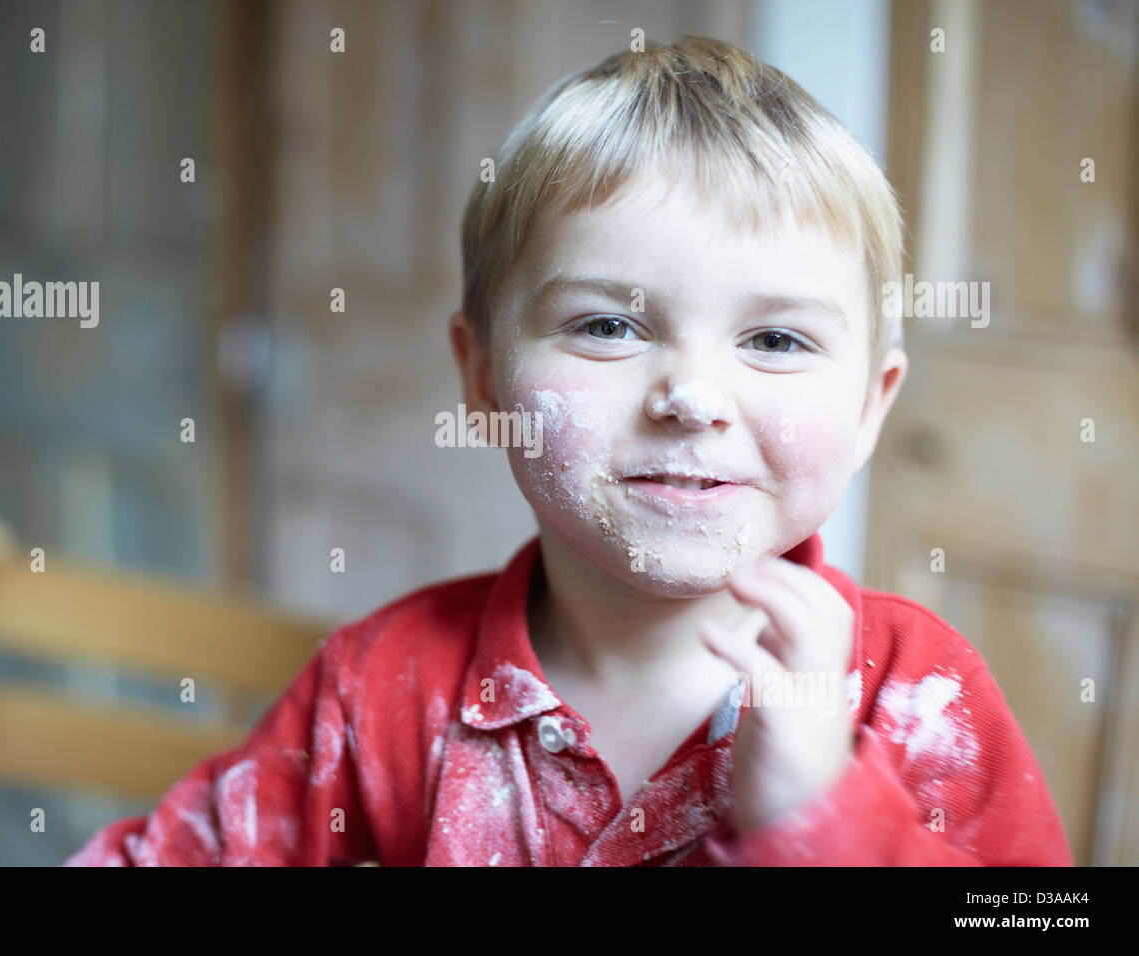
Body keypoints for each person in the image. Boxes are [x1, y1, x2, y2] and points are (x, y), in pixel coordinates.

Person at [66, 35, 1072, 866]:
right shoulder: (380, 683)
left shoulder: (919, 697)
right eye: (604, 326)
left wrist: (818, 812)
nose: (688, 397)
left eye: (774, 339)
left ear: (869, 405)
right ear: (484, 378)